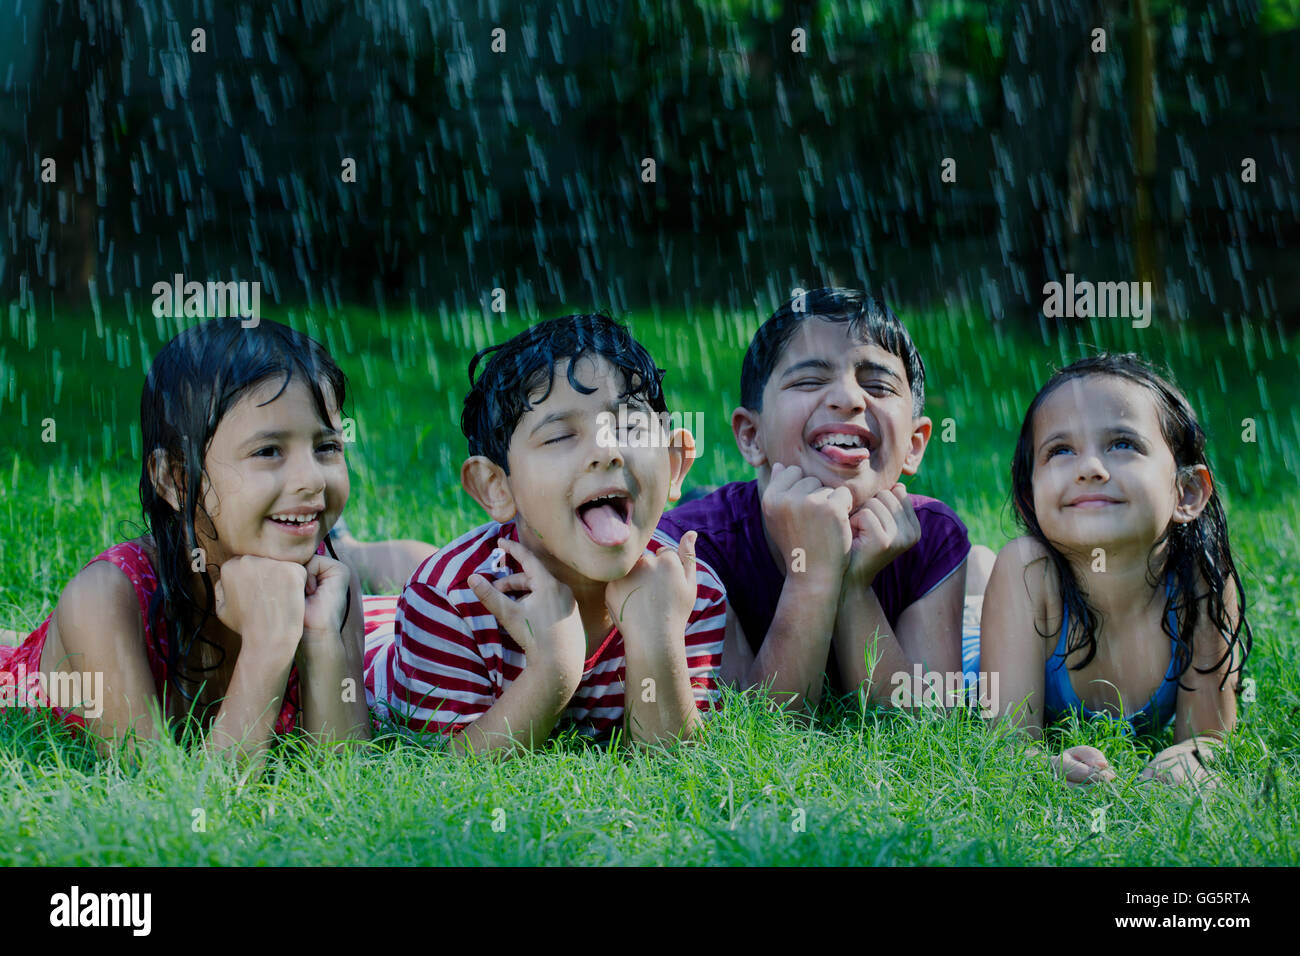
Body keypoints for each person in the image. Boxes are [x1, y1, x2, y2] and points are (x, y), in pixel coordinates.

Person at [0, 319, 376, 760]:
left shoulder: (331, 589)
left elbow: (345, 778)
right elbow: (171, 808)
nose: (311, 479)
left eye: (326, 447)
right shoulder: (105, 599)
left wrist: (320, 640)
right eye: (268, 451)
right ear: (176, 479)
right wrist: (267, 647)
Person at [363, 314, 726, 754]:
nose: (606, 452)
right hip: (377, 639)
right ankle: (349, 550)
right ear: (497, 487)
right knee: (389, 580)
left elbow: (670, 762)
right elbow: (446, 771)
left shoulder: (687, 590)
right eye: (559, 436)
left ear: (674, 464)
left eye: (629, 428)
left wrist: (656, 635)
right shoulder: (448, 604)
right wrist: (555, 666)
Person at [658, 288, 991, 711]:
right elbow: (760, 730)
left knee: (980, 579)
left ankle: (981, 570)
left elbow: (921, 725)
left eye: (877, 385)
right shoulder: (697, 547)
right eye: (810, 380)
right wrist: (812, 574)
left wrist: (853, 584)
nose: (849, 398)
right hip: (720, 516)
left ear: (914, 443)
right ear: (751, 436)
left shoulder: (931, 536)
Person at [981, 353, 1251, 788]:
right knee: (979, 580)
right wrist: (1045, 767)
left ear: (1187, 491)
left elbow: (1207, 740)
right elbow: (1007, 746)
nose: (1089, 468)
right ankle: (976, 571)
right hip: (980, 642)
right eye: (1061, 450)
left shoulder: (1202, 583)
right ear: (1030, 497)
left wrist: (1190, 759)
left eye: (1122, 444)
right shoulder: (1028, 572)